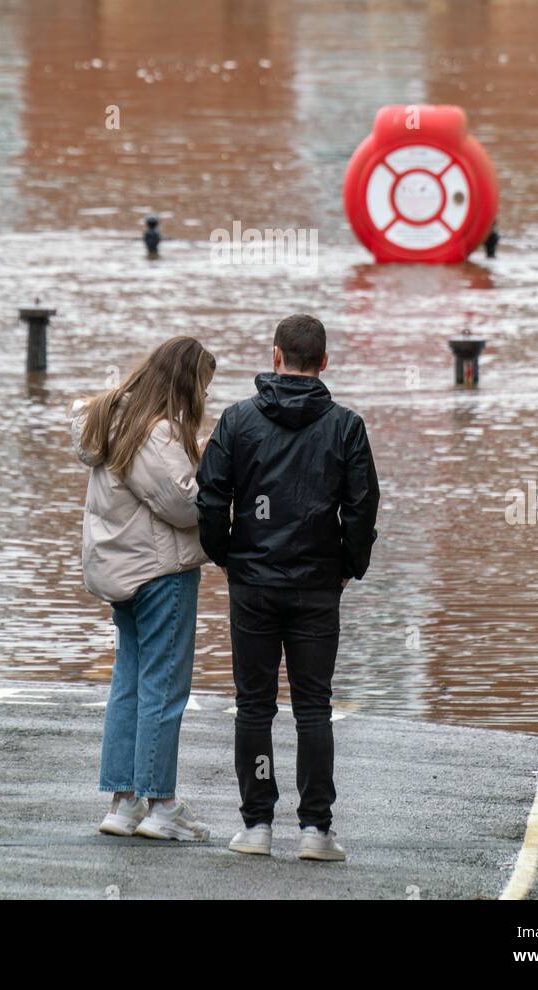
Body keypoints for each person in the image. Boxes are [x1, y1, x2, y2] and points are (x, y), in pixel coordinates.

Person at [196, 314, 379, 861]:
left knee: (254, 706)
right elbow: (362, 506)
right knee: (314, 707)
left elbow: (211, 497)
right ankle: (316, 829)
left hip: (253, 581)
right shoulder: (346, 427)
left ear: (275, 356)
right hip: (317, 584)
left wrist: (226, 555)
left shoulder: (237, 420)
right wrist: (350, 565)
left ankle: (256, 825)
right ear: (324, 362)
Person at [71, 335, 216, 842]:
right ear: (183, 383)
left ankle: (123, 801)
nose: (204, 397)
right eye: (202, 386)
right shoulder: (153, 432)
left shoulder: (109, 419)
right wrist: (211, 478)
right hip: (160, 573)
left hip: (123, 571)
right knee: (163, 689)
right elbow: (184, 506)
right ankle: (161, 805)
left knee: (129, 684)